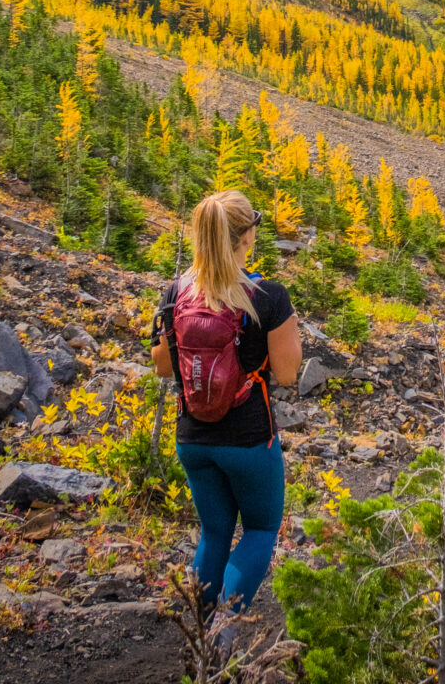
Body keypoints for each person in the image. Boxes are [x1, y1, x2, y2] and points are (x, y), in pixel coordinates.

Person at [151, 188, 302, 617]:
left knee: (214, 532)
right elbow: (289, 374)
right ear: (246, 237)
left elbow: (164, 367)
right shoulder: (267, 297)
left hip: (193, 436)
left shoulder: (176, 291)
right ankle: (223, 635)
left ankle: (196, 633)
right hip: (249, 438)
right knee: (259, 530)